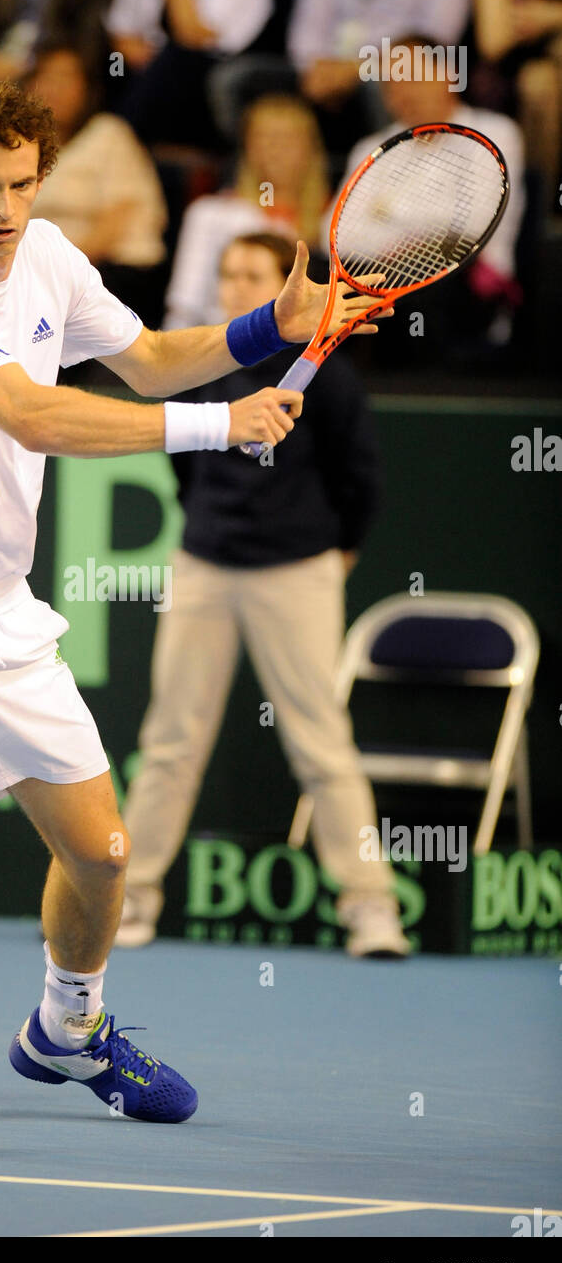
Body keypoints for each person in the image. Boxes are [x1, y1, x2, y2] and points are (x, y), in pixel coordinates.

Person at [0, 77, 388, 1153]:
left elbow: (148, 360)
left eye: (23, 185)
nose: (5, 209)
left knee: (105, 855)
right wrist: (219, 426)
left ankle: (68, 1030)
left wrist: (270, 326)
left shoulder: (49, 256)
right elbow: (32, 415)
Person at [117, 233, 407, 957]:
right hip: (204, 565)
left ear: (286, 285)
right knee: (169, 741)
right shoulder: (198, 365)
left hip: (296, 571)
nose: (237, 285)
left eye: (254, 274)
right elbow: (185, 470)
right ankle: (130, 900)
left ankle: (371, 907)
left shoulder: (330, 377)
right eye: (228, 273)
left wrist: (331, 551)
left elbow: (360, 479)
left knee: (321, 743)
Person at [338, 34, 525, 357]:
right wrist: (406, 244)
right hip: (379, 286)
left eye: (414, 76)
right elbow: (338, 237)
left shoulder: (497, 132)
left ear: (449, 74)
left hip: (465, 290)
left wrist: (389, 212)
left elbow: (471, 228)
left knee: (424, 288)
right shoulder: (369, 147)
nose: (404, 91)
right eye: (392, 83)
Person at [287, 0, 477, 153]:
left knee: (399, 76)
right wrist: (314, 63)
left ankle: (398, 150)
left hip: (396, 61)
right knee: (270, 80)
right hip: (326, 66)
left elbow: (437, 33)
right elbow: (309, 19)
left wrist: (359, 66)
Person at [25, 44, 168, 326]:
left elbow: (117, 220)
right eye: (47, 77)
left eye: (66, 78)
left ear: (86, 89)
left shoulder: (108, 133)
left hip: (113, 272)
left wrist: (59, 272)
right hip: (44, 275)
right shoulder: (21, 146)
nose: (55, 88)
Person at [164, 95, 329, 330]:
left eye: (287, 139)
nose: (275, 150)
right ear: (247, 147)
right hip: (223, 340)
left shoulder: (334, 217)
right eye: (263, 138)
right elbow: (184, 306)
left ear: (311, 148)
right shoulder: (211, 214)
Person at [104, 0, 273, 150]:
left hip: (211, 63)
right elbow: (121, 23)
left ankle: (113, 138)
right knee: (112, 63)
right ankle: (110, 136)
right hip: (148, 59)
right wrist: (130, 48)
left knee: (175, 61)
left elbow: (192, 33)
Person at [472, 0, 562, 210]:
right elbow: (493, 40)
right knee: (538, 84)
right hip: (515, 70)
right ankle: (539, 210)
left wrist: (549, 14)